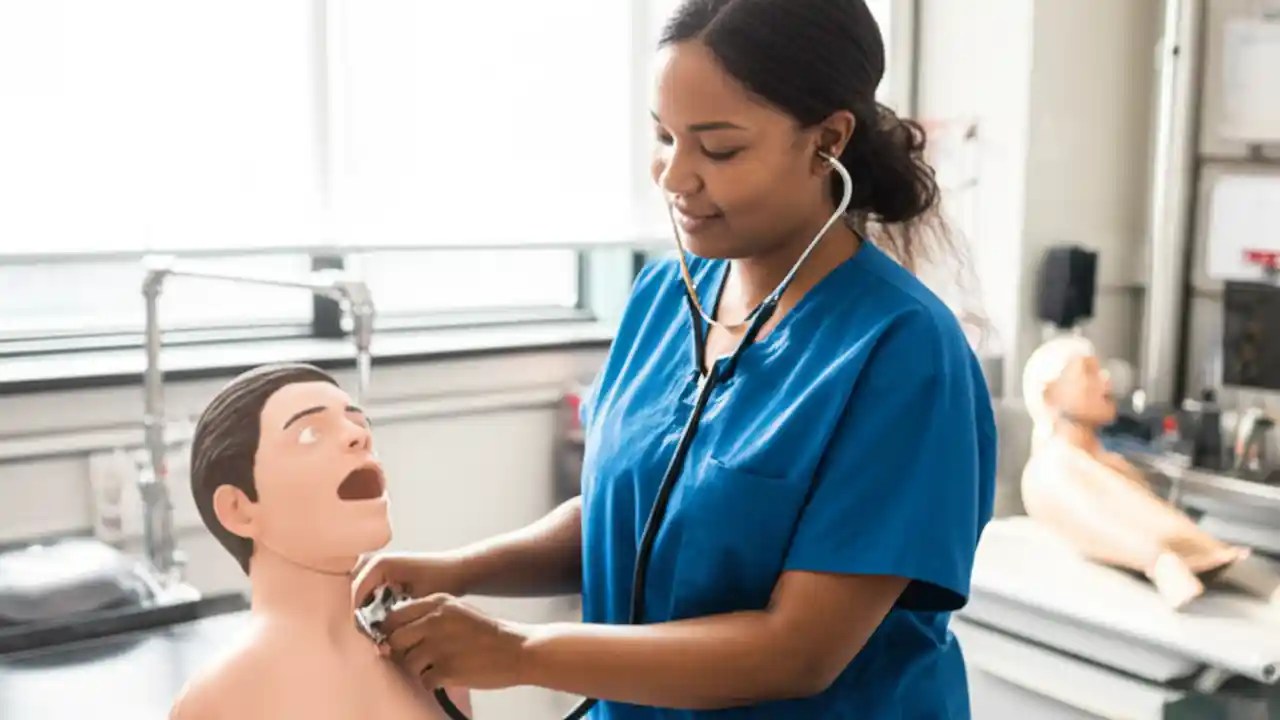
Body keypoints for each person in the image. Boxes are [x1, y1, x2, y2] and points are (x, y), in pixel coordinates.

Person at [352, 0, 996, 717]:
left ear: (828, 141)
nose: (674, 176)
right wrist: (462, 570)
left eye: (718, 149)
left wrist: (520, 651)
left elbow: (800, 650)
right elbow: (631, 512)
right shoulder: (664, 295)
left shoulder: (902, 353)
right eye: (663, 136)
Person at [170, 363, 470, 720]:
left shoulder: (434, 666)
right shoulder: (221, 702)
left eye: (359, 425)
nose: (359, 438)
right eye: (310, 434)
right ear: (240, 509)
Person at [1020, 336, 1280, 610]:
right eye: (1088, 371)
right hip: (1197, 581)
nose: (1106, 379)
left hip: (1222, 568)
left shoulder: (1109, 463)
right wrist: (1158, 562)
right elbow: (1086, 520)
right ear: (1050, 395)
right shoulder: (1051, 465)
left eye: (1100, 369)